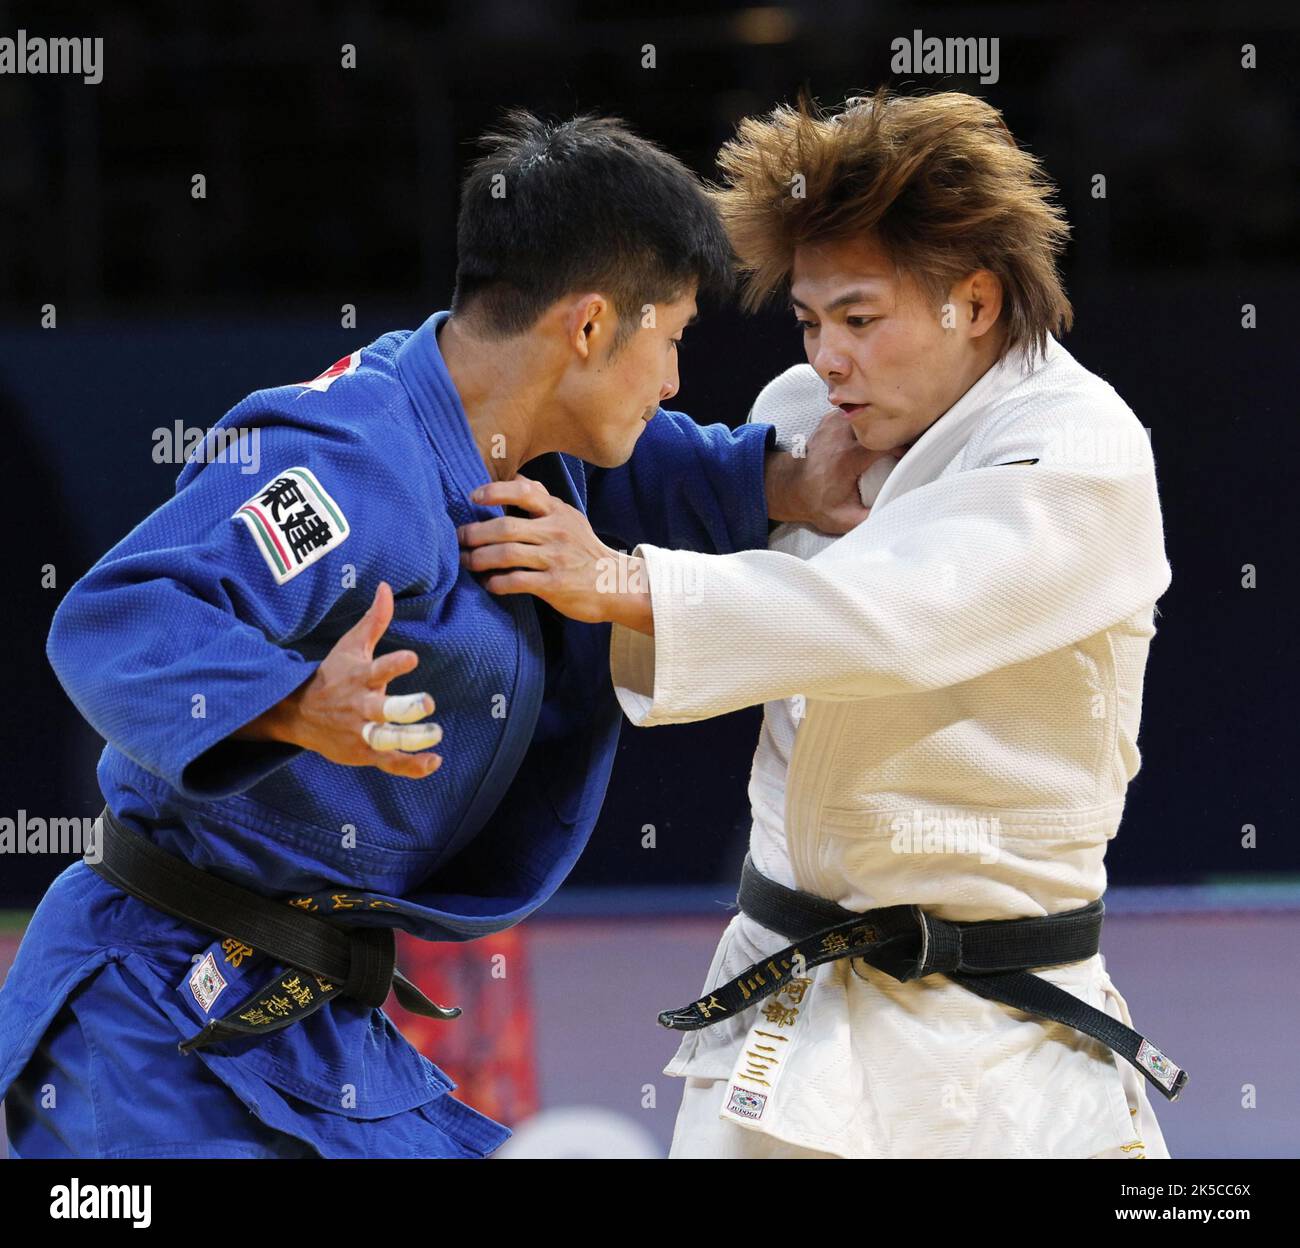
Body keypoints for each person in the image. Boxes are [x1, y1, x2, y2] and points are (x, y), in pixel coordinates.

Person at [0, 110, 868, 1159]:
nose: (675, 380)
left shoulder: (522, 432)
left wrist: (787, 478)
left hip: (312, 1019)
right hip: (150, 1023)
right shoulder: (344, 465)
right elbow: (116, 620)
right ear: (589, 328)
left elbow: (660, 462)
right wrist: (291, 706)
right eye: (671, 339)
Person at [459, 89, 1182, 1159]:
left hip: (999, 1035)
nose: (828, 356)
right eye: (807, 320)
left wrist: (617, 578)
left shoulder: (1078, 454)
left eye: (858, 318)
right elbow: (743, 646)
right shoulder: (804, 415)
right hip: (791, 1005)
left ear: (972, 304)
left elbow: (890, 618)